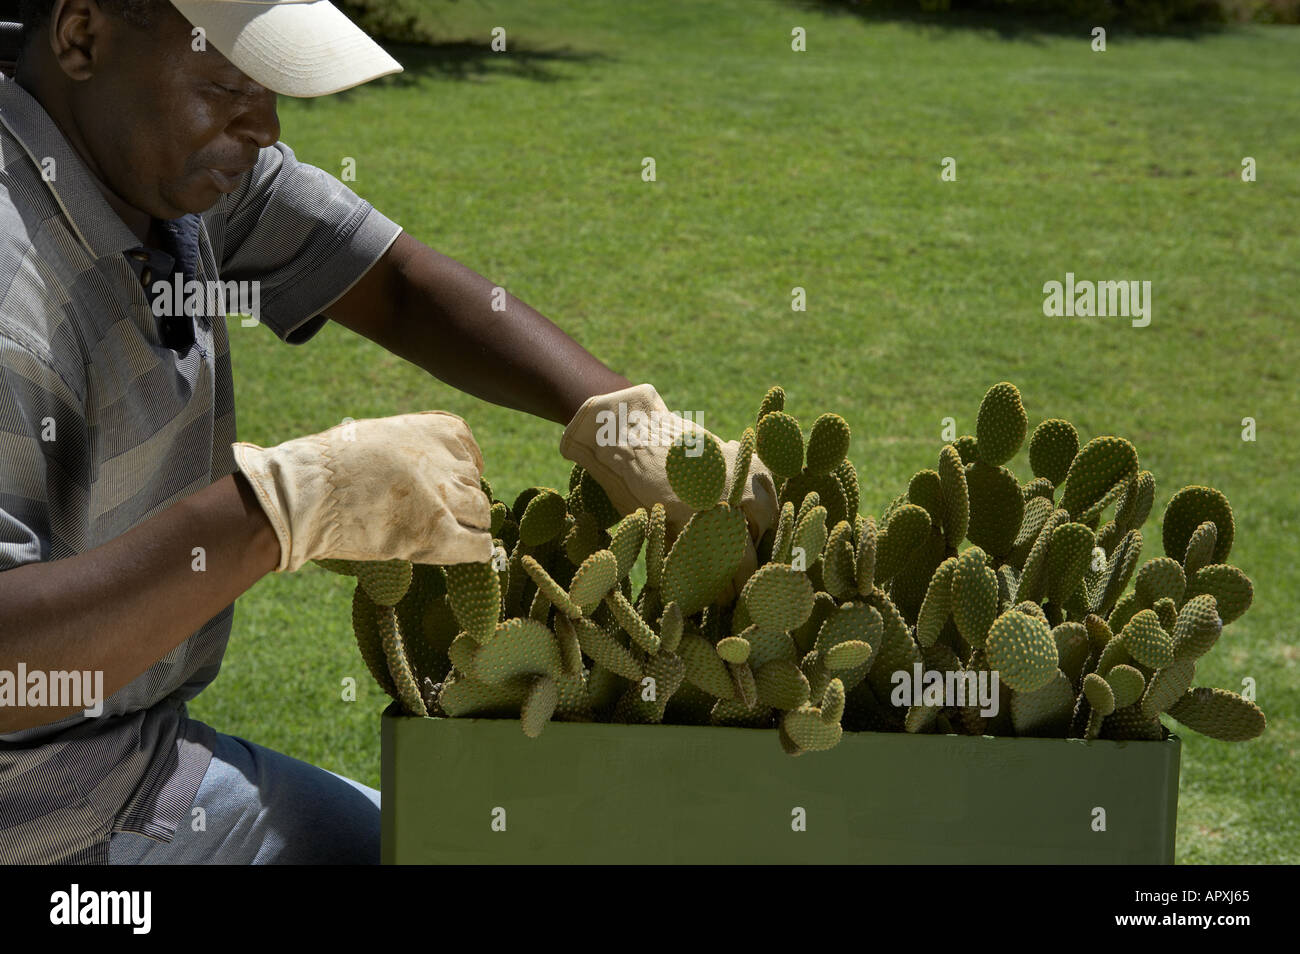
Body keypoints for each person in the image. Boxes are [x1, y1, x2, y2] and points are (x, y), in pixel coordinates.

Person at [0, 0, 777, 864]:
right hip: (41, 828)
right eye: (226, 84)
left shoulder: (145, 166)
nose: (264, 124)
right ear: (82, 35)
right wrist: (281, 510)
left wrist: (621, 417)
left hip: (134, 761)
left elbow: (392, 281)